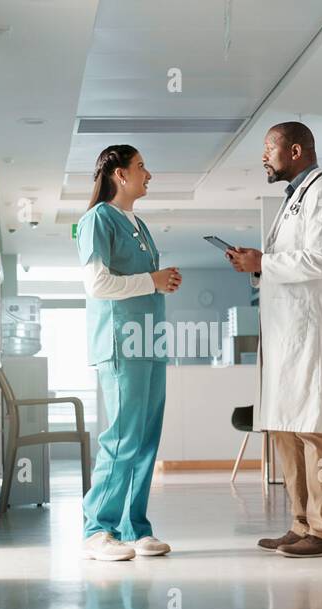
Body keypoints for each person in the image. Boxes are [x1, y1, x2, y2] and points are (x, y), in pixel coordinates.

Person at [226, 121, 322, 558]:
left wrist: (265, 262)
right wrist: (259, 266)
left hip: (311, 331)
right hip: (286, 335)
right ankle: (301, 524)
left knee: (313, 429)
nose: (264, 157)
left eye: (269, 148)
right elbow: (288, 262)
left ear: (295, 151)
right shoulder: (295, 198)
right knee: (283, 427)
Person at [77, 145, 182, 561]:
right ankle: (97, 529)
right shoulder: (96, 220)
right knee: (122, 436)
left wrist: (160, 281)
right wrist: (151, 280)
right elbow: (97, 284)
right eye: (141, 167)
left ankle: (135, 527)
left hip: (150, 342)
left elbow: (143, 279)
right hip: (121, 341)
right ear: (120, 175)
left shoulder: (136, 222)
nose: (148, 174)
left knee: (145, 437)